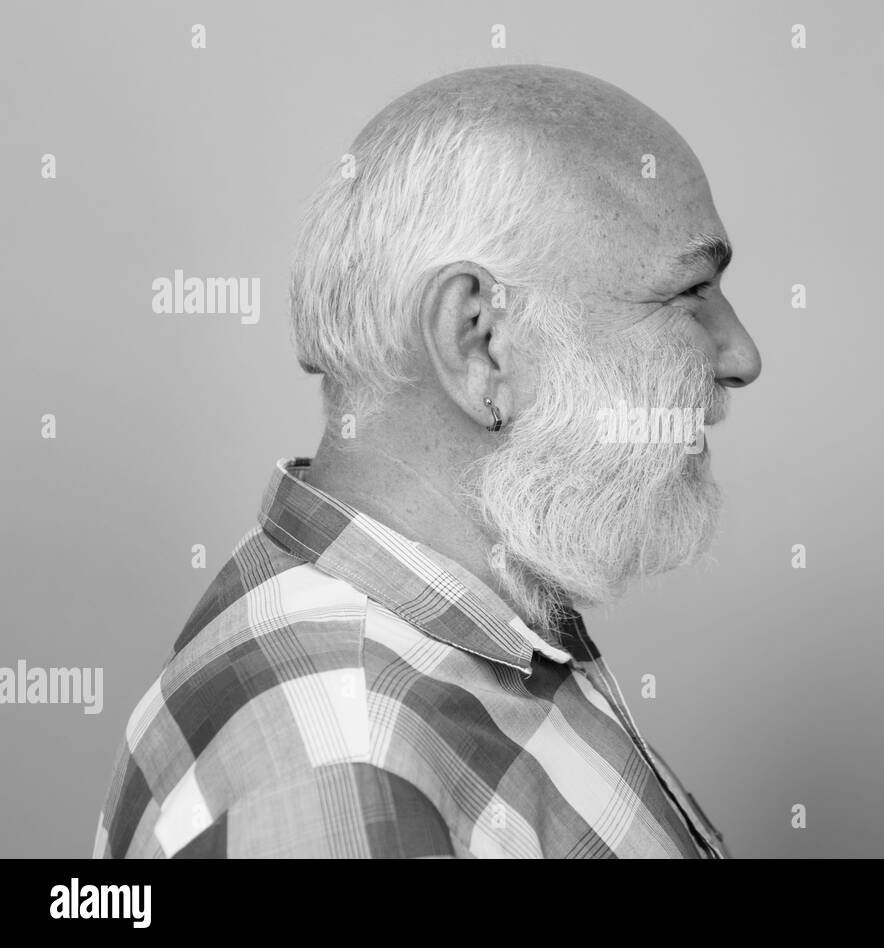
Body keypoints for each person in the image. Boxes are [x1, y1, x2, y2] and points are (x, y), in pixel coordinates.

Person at [92, 64, 761, 858]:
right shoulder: (334, 768)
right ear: (479, 341)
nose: (741, 355)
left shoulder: (481, 632)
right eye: (690, 292)